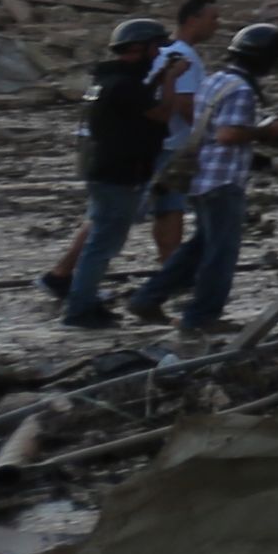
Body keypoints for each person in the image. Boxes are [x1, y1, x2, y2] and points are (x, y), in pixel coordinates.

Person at [138, 18, 278, 332]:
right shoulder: (242, 90)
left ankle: (148, 297)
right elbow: (227, 134)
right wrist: (267, 131)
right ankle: (201, 316)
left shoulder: (217, 79)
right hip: (222, 179)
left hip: (200, 176)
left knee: (198, 246)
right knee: (221, 252)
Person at [58, 17, 175, 327]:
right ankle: (80, 310)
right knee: (103, 245)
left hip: (104, 170)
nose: (159, 53)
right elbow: (162, 113)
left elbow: (135, 107)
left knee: (100, 240)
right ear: (143, 48)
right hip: (119, 174)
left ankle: (85, 302)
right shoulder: (125, 85)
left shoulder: (111, 80)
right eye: (156, 48)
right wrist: (172, 80)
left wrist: (160, 76)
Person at [127, 0, 228, 301]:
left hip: (169, 143)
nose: (218, 25)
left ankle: (171, 269)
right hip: (170, 146)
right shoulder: (183, 55)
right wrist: (208, 135)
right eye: (213, 18)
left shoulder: (181, 52)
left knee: (169, 210)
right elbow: (184, 104)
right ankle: (66, 274)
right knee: (124, 214)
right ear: (193, 19)